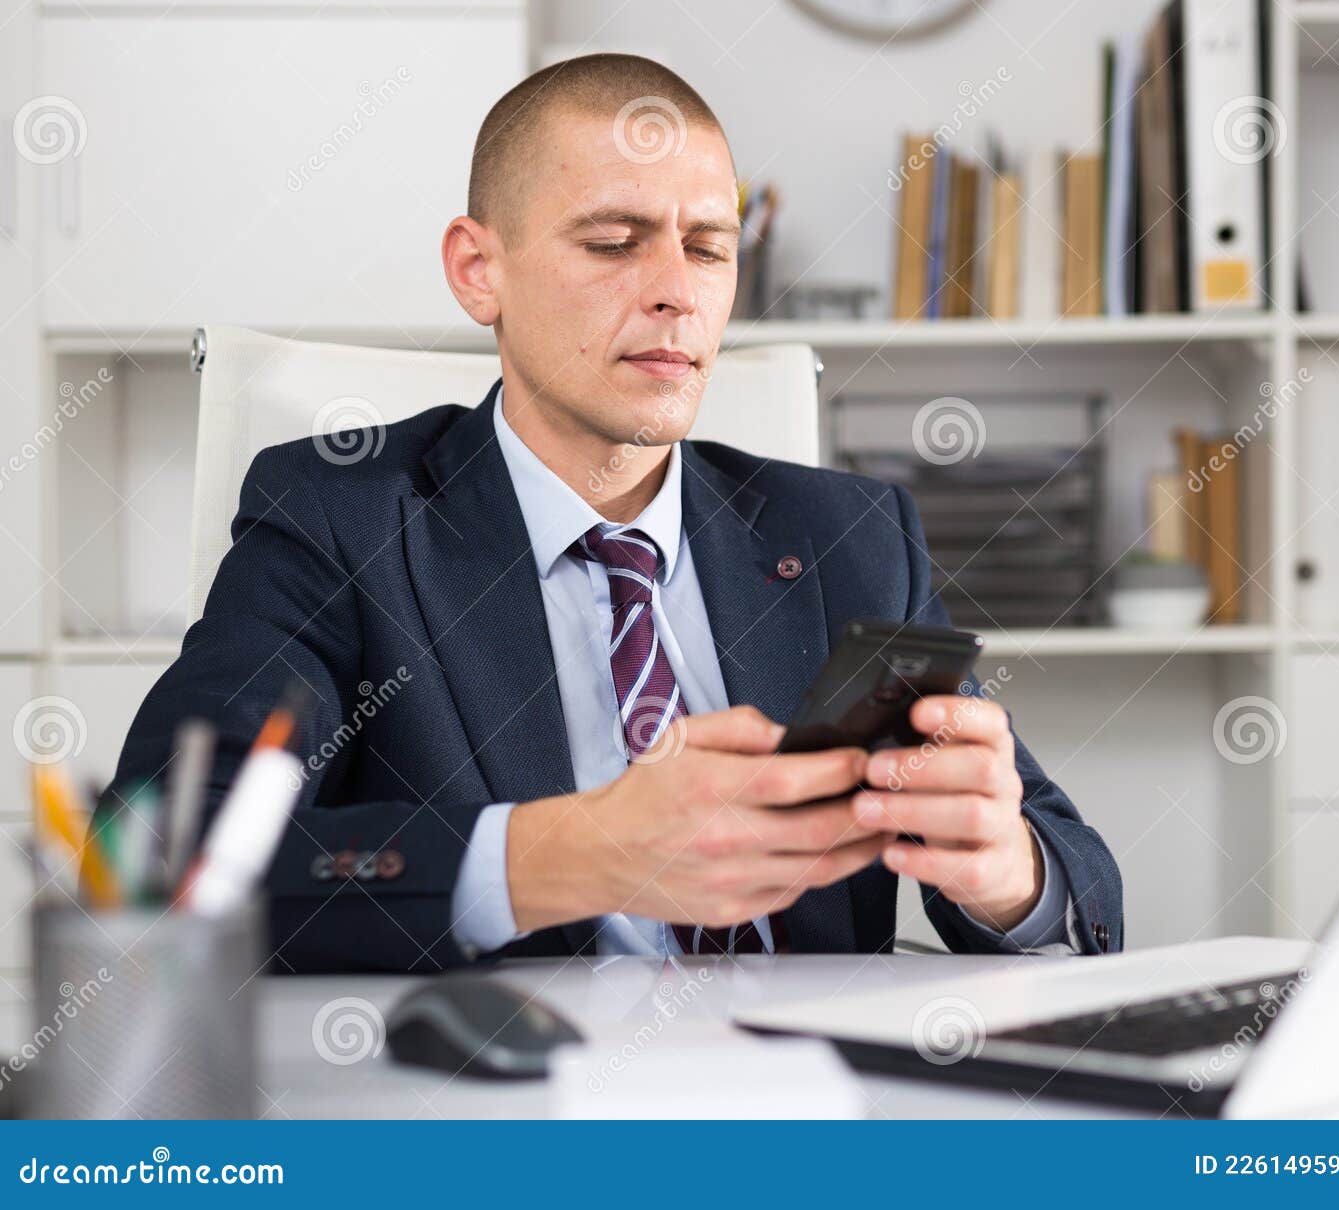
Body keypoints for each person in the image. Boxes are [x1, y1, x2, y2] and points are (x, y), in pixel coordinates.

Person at [113, 53, 1122, 972]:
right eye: (612, 242)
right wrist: (569, 854)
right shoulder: (339, 518)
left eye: (708, 247)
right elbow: (160, 850)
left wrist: (1007, 873)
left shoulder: (850, 535)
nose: (677, 293)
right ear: (479, 270)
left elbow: (1077, 880)